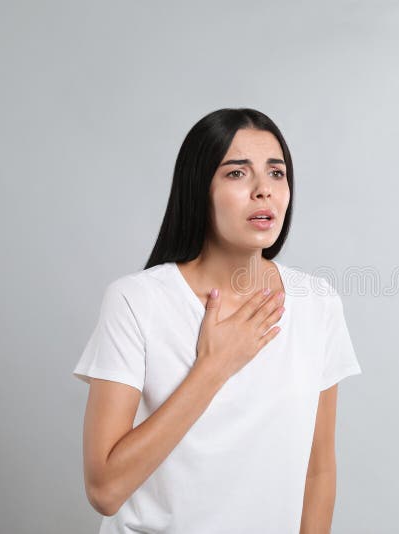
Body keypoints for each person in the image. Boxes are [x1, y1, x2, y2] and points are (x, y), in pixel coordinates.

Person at [72, 108, 362, 533]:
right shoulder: (137, 302)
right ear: (198, 190)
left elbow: (318, 470)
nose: (264, 190)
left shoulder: (317, 304)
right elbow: (105, 490)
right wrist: (215, 366)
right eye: (237, 174)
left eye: (277, 173)